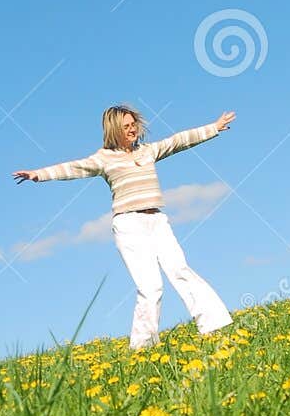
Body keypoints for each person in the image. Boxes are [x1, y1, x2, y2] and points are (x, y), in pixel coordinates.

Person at [13, 105, 235, 350]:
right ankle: (143, 347)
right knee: (150, 286)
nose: (132, 130)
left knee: (180, 269)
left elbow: (179, 141)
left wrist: (213, 128)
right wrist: (39, 174)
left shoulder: (148, 151)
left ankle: (214, 324)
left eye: (133, 125)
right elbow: (73, 167)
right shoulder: (103, 159)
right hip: (129, 225)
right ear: (113, 131)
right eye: (126, 127)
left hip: (157, 220)